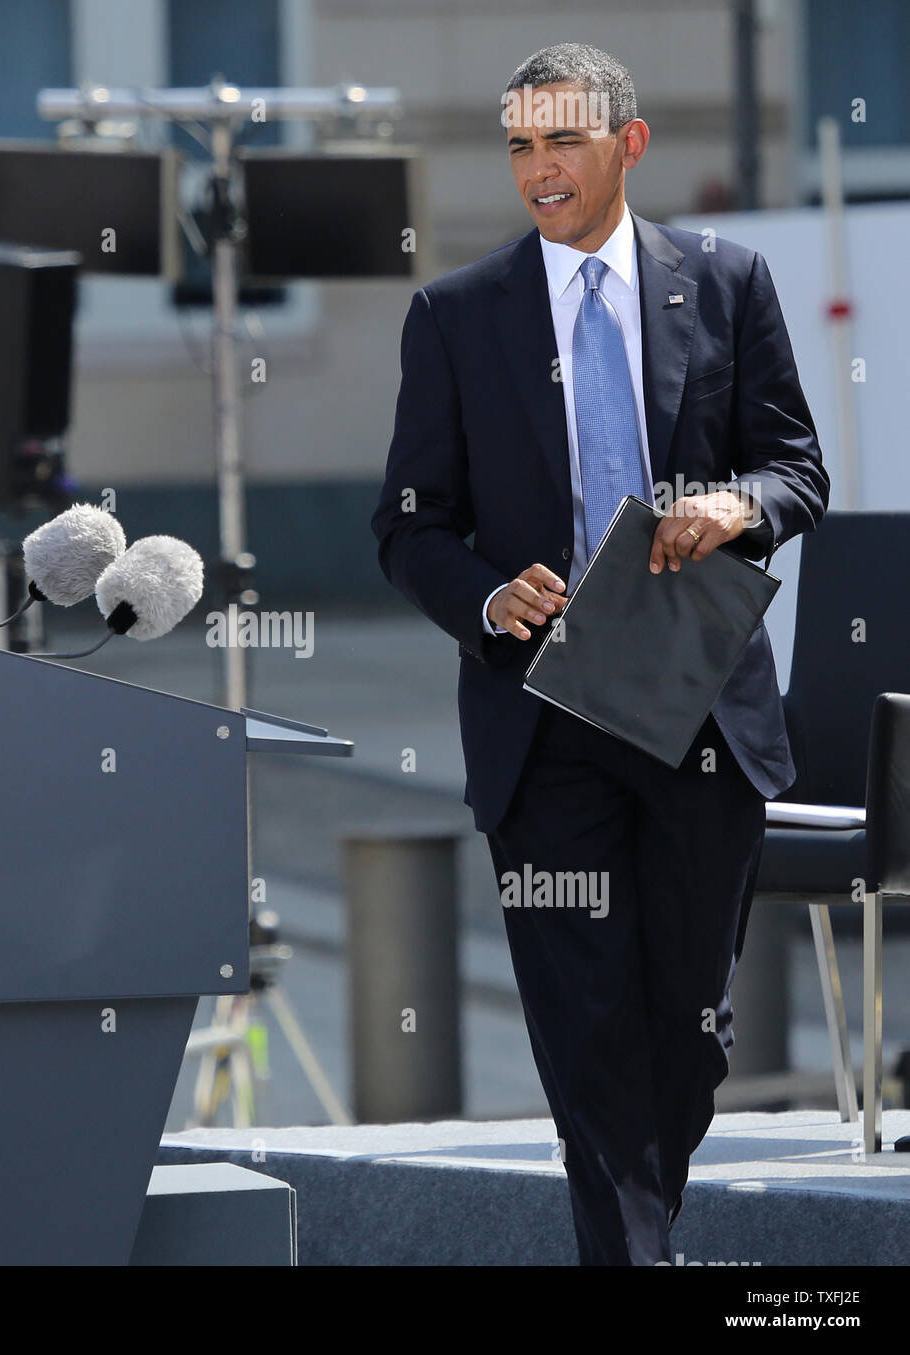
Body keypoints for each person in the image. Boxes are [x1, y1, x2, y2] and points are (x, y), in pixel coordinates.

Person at [371, 42, 828, 1266]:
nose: (538, 168)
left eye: (561, 140)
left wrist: (737, 506)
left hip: (699, 706)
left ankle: (641, 1232)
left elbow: (798, 468)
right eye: (518, 145)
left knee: (688, 1026)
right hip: (543, 715)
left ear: (626, 144)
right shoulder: (457, 315)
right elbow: (408, 527)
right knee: (583, 1025)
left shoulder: (727, 283)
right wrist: (484, 596)